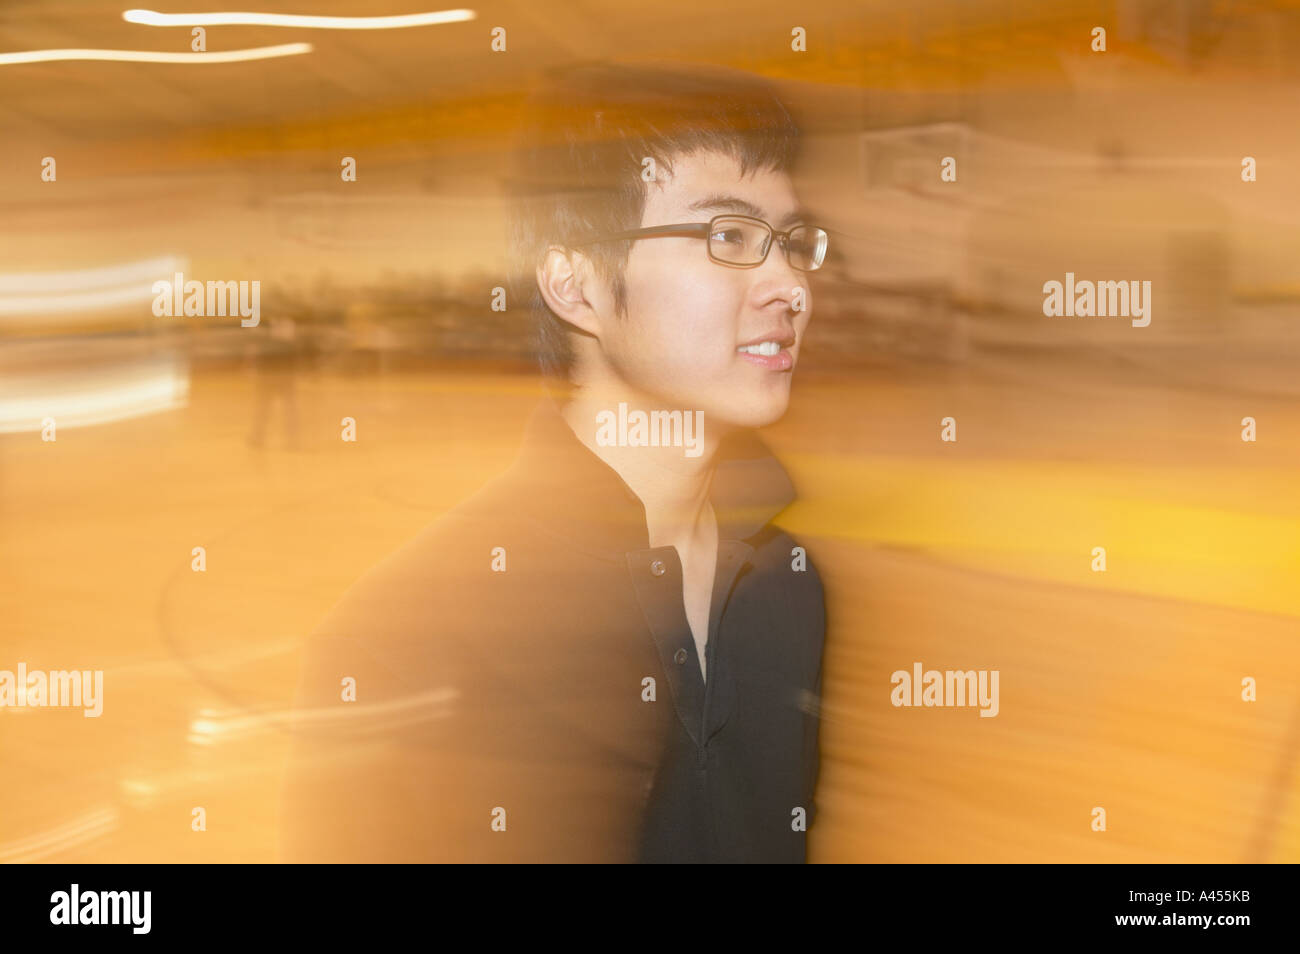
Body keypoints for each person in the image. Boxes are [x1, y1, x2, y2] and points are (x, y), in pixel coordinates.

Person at [279, 61, 829, 863]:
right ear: (575, 287)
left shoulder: (791, 587)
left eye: (793, 243)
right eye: (729, 236)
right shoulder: (402, 643)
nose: (791, 286)